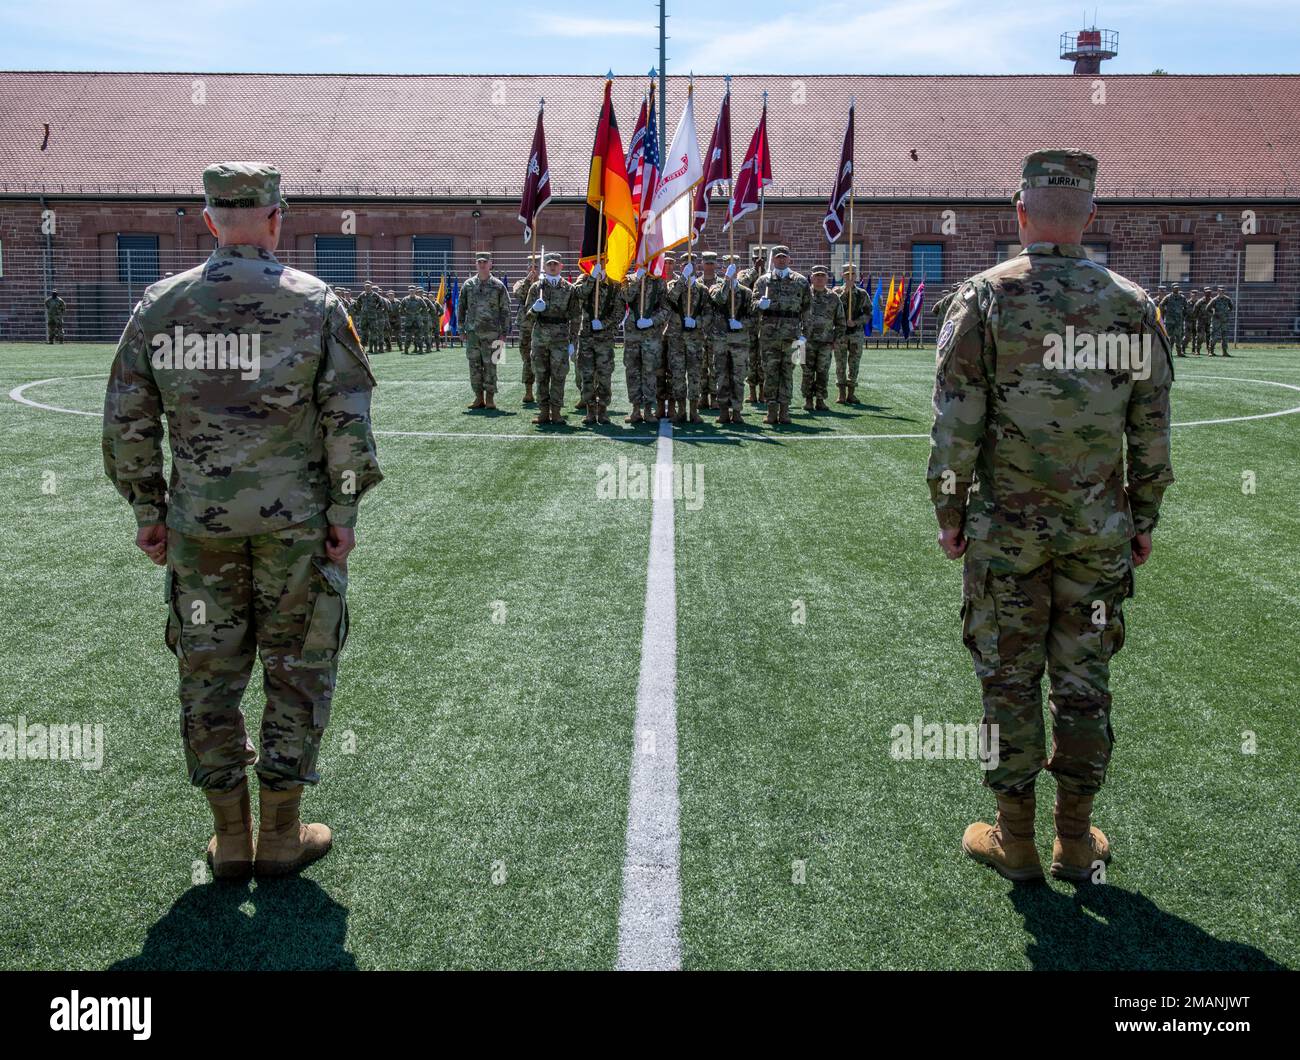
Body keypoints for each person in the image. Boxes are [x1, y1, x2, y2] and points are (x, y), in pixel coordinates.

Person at [102, 162, 382, 880]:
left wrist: (147, 510)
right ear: (275, 216)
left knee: (208, 673)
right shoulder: (315, 302)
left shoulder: (160, 305)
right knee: (297, 667)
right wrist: (344, 513)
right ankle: (282, 835)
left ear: (209, 219)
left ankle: (230, 837)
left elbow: (128, 420)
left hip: (200, 529)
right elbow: (346, 422)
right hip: (295, 529)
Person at [928, 150, 1173, 883]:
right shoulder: (1131, 304)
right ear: (1090, 217)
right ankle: (1074, 837)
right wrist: (1145, 515)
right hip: (1097, 533)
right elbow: (1151, 429)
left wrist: (949, 512)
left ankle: (1017, 840)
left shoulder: (985, 299)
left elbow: (954, 426)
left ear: (1020, 213)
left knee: (1008, 677)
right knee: (1083, 679)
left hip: (1006, 534)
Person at [753, 245, 811, 426]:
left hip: (793, 336)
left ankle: (785, 411)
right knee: (770, 373)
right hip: (769, 336)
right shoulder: (763, 281)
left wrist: (805, 336)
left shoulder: (801, 281)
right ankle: (771, 411)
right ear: (773, 260)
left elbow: (808, 310)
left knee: (788, 373)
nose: (781, 260)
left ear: (789, 259)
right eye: (778, 257)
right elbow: (751, 305)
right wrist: (759, 305)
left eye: (784, 257)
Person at [524, 251, 582, 425]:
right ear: (545, 267)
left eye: (555, 264)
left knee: (558, 376)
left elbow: (575, 316)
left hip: (560, 338)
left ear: (561, 266)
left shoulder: (569, 289)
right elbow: (526, 317)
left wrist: (573, 341)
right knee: (541, 375)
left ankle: (556, 412)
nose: (552, 266)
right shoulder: (536, 288)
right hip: (540, 338)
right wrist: (535, 309)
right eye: (549, 264)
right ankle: (543, 412)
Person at [457, 253, 509, 410]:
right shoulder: (468, 285)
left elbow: (505, 309)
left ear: (490, 264)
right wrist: (461, 329)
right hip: (473, 333)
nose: (482, 264)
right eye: (479, 262)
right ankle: (478, 398)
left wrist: (504, 333)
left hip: (493, 333)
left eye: (485, 262)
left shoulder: (498, 285)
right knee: (474, 366)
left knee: (491, 365)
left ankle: (490, 398)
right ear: (476, 264)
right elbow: (461, 308)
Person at [573, 261, 623, 425]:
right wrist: (592, 278)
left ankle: (602, 411)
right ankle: (589, 411)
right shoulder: (584, 278)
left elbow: (619, 312)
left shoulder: (614, 284)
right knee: (586, 375)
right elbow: (578, 294)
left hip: (604, 338)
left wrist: (604, 324)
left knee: (604, 376)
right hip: (586, 336)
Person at [621, 264, 669, 425]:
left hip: (651, 334)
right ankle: (635, 409)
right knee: (632, 371)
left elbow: (666, 309)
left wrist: (652, 321)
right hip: (633, 334)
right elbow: (626, 297)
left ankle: (648, 410)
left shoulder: (659, 282)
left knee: (649, 371)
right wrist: (636, 279)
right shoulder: (628, 280)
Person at [710, 255, 755, 425]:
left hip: (740, 341)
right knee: (722, 376)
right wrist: (727, 281)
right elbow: (720, 299)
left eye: (734, 267)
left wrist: (741, 324)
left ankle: (737, 411)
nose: (732, 269)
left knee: (738, 377)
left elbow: (753, 318)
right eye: (728, 266)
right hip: (721, 340)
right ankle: (723, 411)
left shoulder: (746, 293)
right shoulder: (715, 288)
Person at [802, 265, 844, 412]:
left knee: (822, 372)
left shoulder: (833, 297)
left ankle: (820, 400)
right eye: (816, 276)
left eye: (822, 276)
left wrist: (836, 340)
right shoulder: (804, 295)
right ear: (811, 278)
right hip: (805, 342)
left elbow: (840, 321)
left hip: (826, 342)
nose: (819, 278)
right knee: (807, 371)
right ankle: (808, 400)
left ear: (827, 278)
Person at [835, 264, 870, 404]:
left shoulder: (862, 293)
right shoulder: (836, 291)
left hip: (856, 333)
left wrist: (856, 322)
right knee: (840, 363)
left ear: (856, 276)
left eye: (853, 275)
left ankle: (851, 393)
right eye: (847, 275)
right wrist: (846, 291)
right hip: (841, 333)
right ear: (843, 276)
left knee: (854, 363)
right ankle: (841, 393)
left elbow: (868, 313)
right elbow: (834, 306)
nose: (850, 277)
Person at [738, 245, 767, 404]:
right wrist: (755, 271)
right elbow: (741, 284)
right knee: (750, 358)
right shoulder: (745, 273)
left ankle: (763, 391)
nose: (759, 261)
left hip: (764, 322)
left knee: (763, 358)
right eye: (756, 259)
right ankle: (752, 392)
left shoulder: (770, 275)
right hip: (749, 322)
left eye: (762, 259)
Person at [512, 256, 540, 403]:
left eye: (535, 266)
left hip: (543, 326)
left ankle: (544, 393)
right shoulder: (520, 283)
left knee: (543, 359)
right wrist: (529, 281)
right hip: (526, 326)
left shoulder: (545, 283)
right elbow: (519, 295)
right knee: (527, 360)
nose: (532, 269)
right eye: (530, 267)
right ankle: (528, 392)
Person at [1207, 285, 1235, 357]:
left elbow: (1231, 307)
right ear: (1217, 291)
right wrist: (1213, 314)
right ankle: (1211, 351)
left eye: (1223, 291)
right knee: (1214, 337)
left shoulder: (1227, 299)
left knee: (1225, 337)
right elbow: (1208, 308)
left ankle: (1224, 351)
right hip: (1216, 321)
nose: (1221, 292)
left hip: (1224, 321)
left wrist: (1226, 313)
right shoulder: (1214, 300)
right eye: (1220, 291)